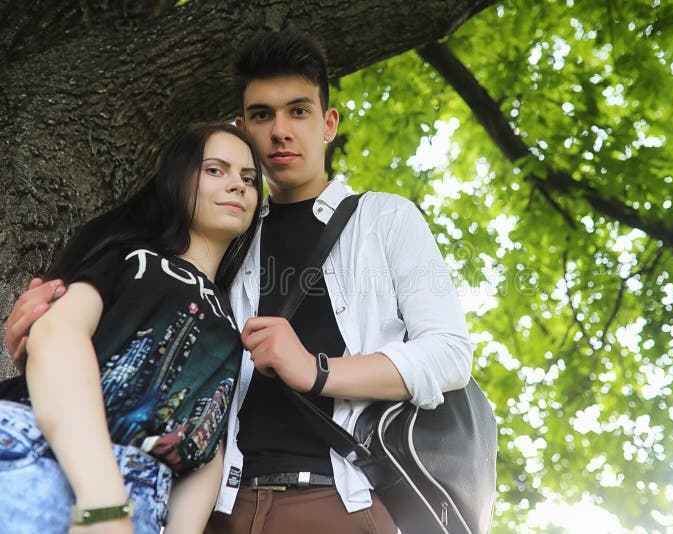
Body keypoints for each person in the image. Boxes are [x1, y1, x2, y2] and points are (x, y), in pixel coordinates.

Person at [6, 30, 473, 533]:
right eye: (261, 115)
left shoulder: (383, 219)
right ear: (242, 126)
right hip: (211, 507)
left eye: (299, 111)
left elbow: (448, 354)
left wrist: (317, 371)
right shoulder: (220, 233)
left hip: (333, 498)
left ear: (328, 123)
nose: (280, 131)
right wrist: (44, 332)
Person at [0, 122, 263, 533]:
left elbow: (206, 445)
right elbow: (57, 334)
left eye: (249, 179)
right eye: (216, 170)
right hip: (42, 460)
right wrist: (102, 502)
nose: (238, 185)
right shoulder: (135, 257)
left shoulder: (231, 324)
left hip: (144, 498)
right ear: (179, 179)